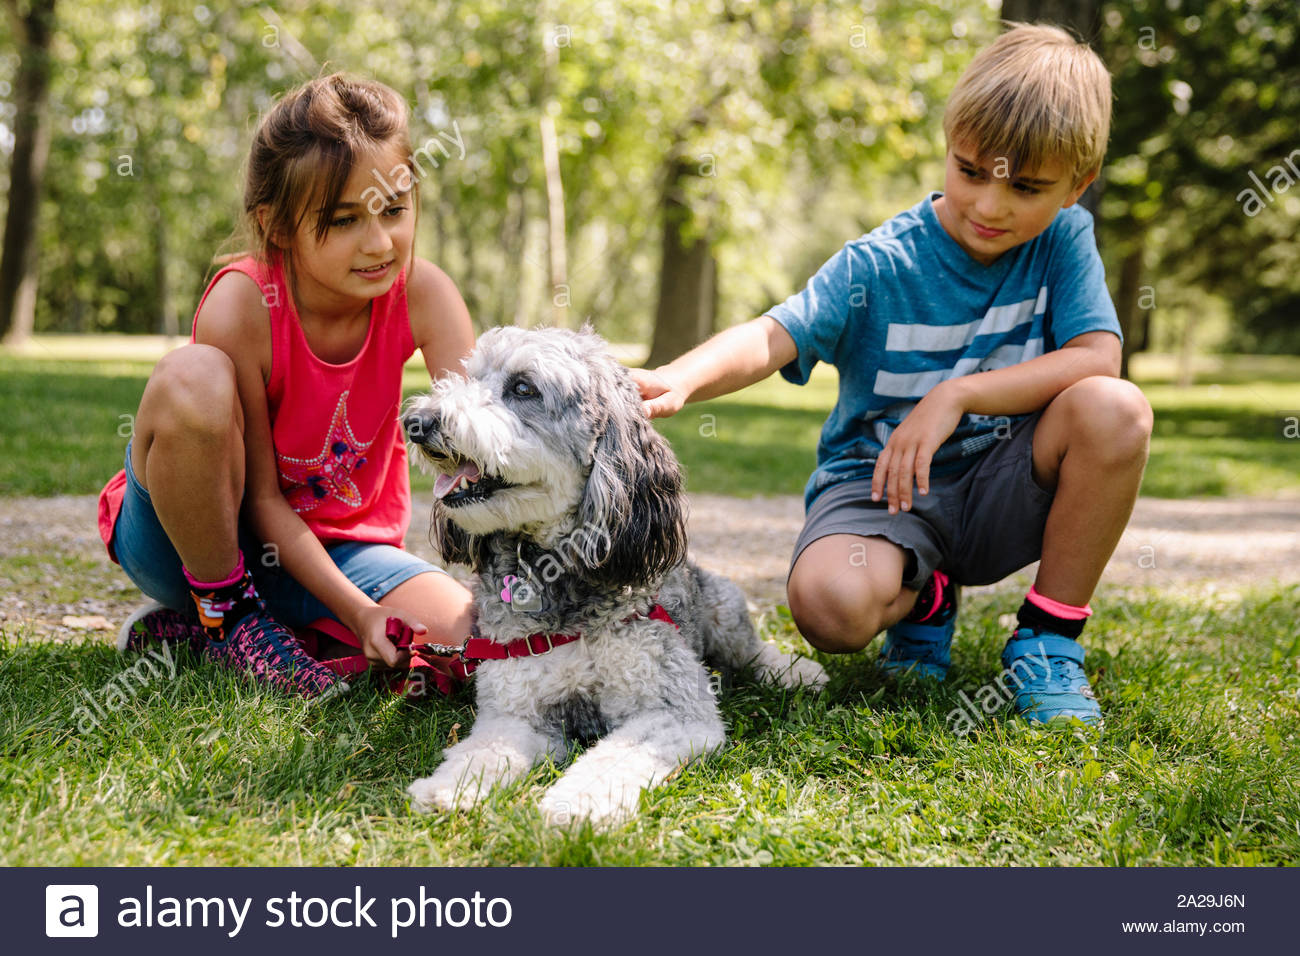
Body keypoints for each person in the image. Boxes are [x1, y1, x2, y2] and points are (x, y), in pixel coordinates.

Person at [632, 24, 1153, 726]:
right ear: (949, 147)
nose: (990, 206)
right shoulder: (878, 263)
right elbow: (773, 332)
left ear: (1076, 186)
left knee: (1115, 409)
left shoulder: (1064, 239)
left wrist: (957, 394)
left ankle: (1048, 641)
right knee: (831, 608)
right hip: (886, 490)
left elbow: (1097, 360)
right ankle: (926, 592)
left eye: (1026, 188)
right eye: (970, 171)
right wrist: (681, 376)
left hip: (1002, 483)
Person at [97, 73, 476, 697]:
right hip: (195, 540)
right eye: (344, 219)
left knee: (472, 642)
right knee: (191, 375)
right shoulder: (244, 306)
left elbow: (483, 448)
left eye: (394, 208)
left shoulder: (425, 294)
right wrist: (360, 613)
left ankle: (218, 634)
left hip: (342, 550)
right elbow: (263, 501)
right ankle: (228, 616)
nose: (380, 243)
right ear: (277, 227)